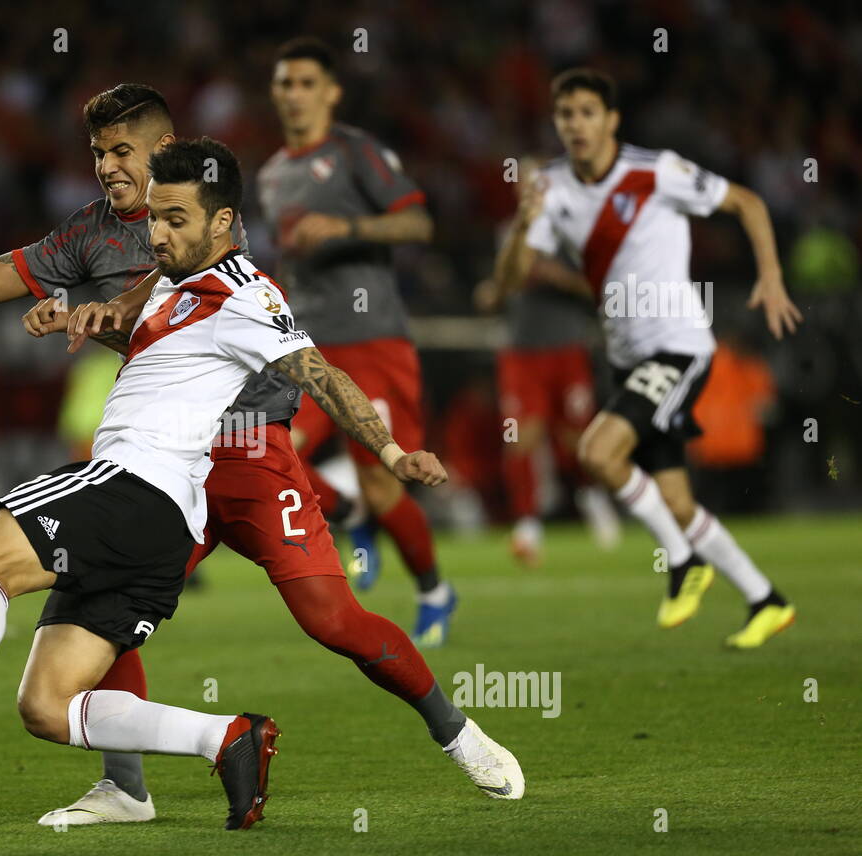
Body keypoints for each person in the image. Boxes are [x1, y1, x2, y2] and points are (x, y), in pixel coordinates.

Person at [0, 83, 523, 827]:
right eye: (97, 154)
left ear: (165, 161)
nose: (106, 169)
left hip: (248, 451)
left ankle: (455, 730)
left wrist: (389, 447)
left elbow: (276, 347)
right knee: (104, 606)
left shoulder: (214, 232)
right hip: (165, 472)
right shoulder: (92, 233)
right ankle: (126, 786)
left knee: (330, 619)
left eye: (122, 153)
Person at [495, 68, 801, 649]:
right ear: (557, 123)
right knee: (677, 501)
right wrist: (521, 227)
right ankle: (765, 598)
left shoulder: (656, 171)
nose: (577, 124)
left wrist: (771, 275)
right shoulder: (551, 189)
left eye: (588, 112)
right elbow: (511, 280)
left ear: (611, 120)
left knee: (597, 451)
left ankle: (682, 562)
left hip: (678, 345)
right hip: (626, 356)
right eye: (566, 115)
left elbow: (747, 201)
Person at [256, 37, 456, 648]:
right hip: (308, 348)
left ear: (331, 92)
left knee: (384, 480)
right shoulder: (269, 176)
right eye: (285, 83)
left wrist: (346, 226)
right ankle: (347, 514)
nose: (294, 94)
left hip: (373, 342)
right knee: (271, 453)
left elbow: (418, 221)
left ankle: (433, 590)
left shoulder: (355, 152)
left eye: (306, 83)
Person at [476, 156, 620, 567]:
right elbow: (506, 284)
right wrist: (493, 293)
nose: (528, 189)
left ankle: (592, 498)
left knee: (577, 438)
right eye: (522, 182)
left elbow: (599, 287)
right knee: (522, 437)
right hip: (521, 350)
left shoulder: (573, 230)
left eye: (537, 182)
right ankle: (527, 524)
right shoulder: (509, 232)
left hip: (567, 345)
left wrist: (557, 277)